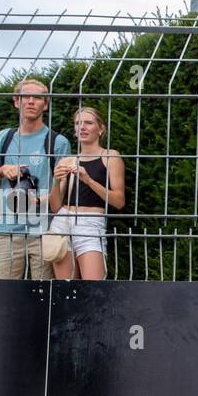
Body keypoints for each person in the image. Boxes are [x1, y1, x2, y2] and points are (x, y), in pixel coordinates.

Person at [0, 77, 71, 280]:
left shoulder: (57, 143)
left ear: (46, 104)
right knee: (4, 294)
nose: (31, 101)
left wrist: (39, 200)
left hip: (44, 229)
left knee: (44, 297)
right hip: (7, 229)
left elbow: (65, 191)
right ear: (17, 102)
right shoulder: (2, 139)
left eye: (37, 97)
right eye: (25, 97)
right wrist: (1, 172)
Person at [48, 106, 124, 280]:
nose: (82, 127)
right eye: (78, 123)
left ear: (101, 129)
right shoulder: (67, 160)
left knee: (93, 287)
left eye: (88, 123)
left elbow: (119, 201)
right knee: (65, 288)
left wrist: (88, 180)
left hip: (91, 222)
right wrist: (56, 180)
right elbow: (55, 207)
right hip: (62, 221)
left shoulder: (110, 157)